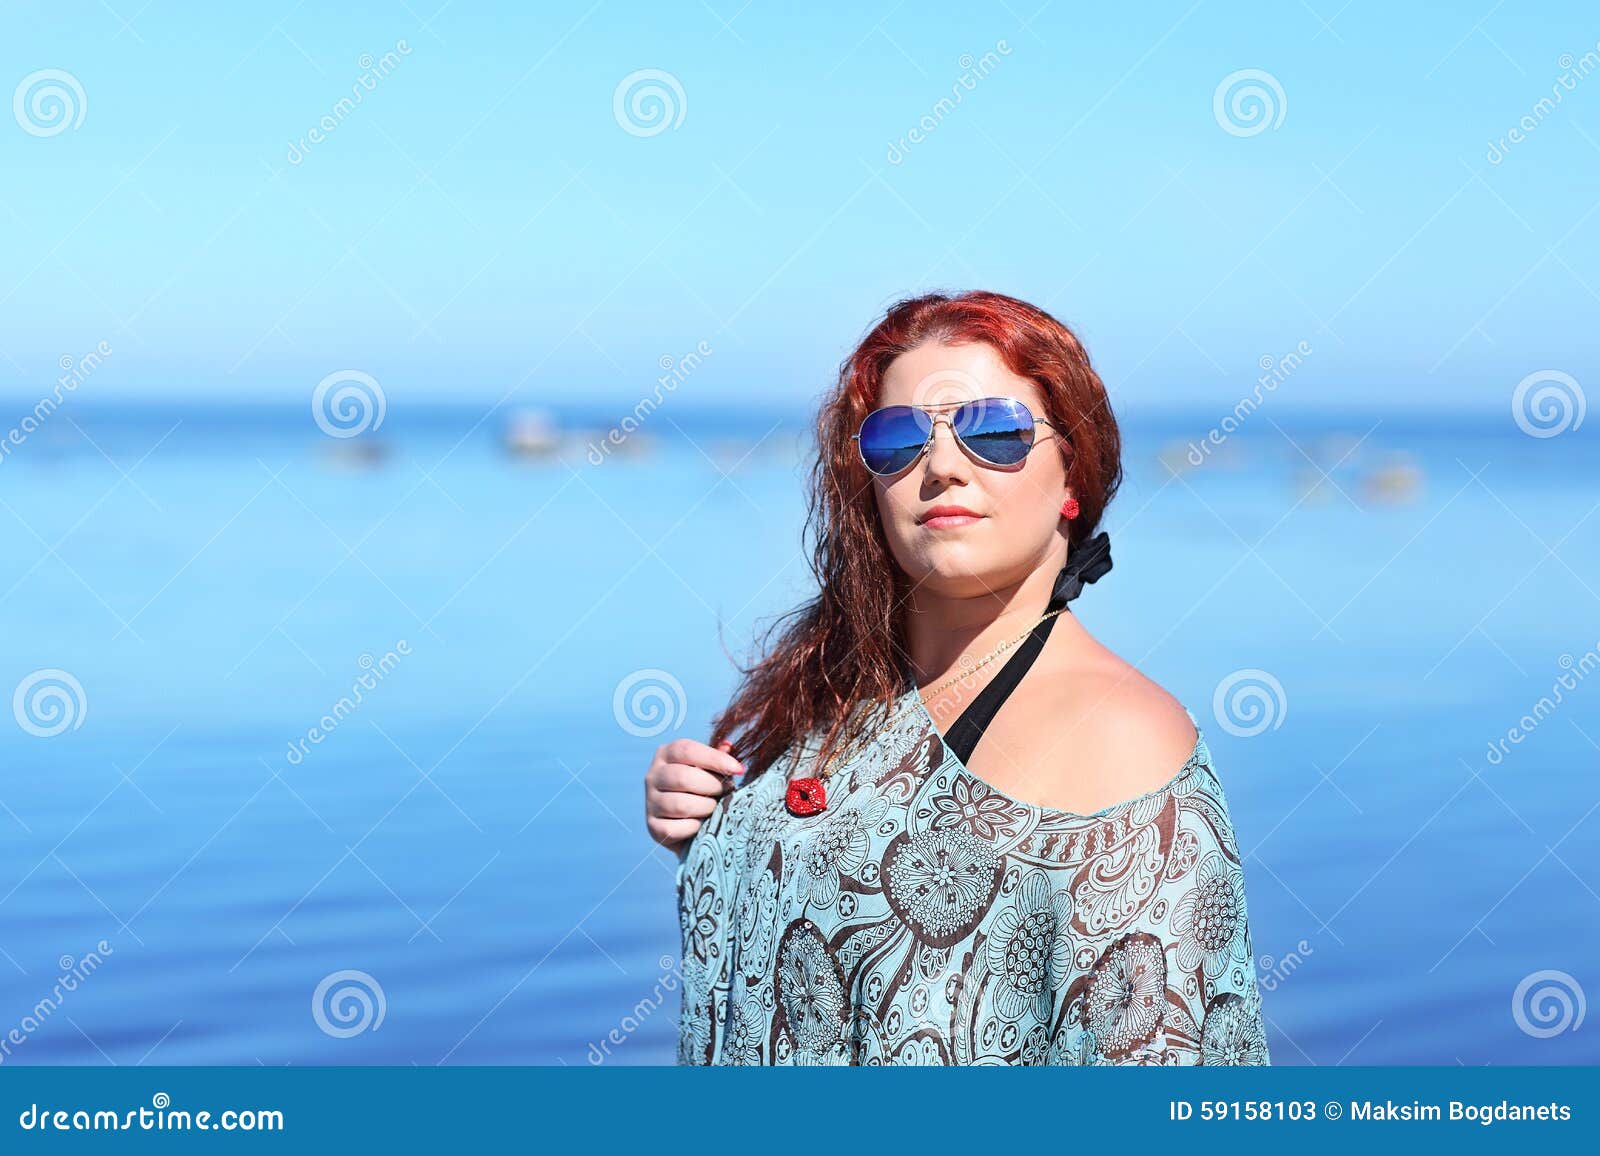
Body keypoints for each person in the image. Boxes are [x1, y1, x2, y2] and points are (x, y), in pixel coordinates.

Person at [644, 290, 1270, 1065]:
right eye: (899, 439)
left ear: (1074, 472)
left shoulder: (1120, 737)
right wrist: (712, 824)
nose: (941, 466)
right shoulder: (842, 685)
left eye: (996, 433)